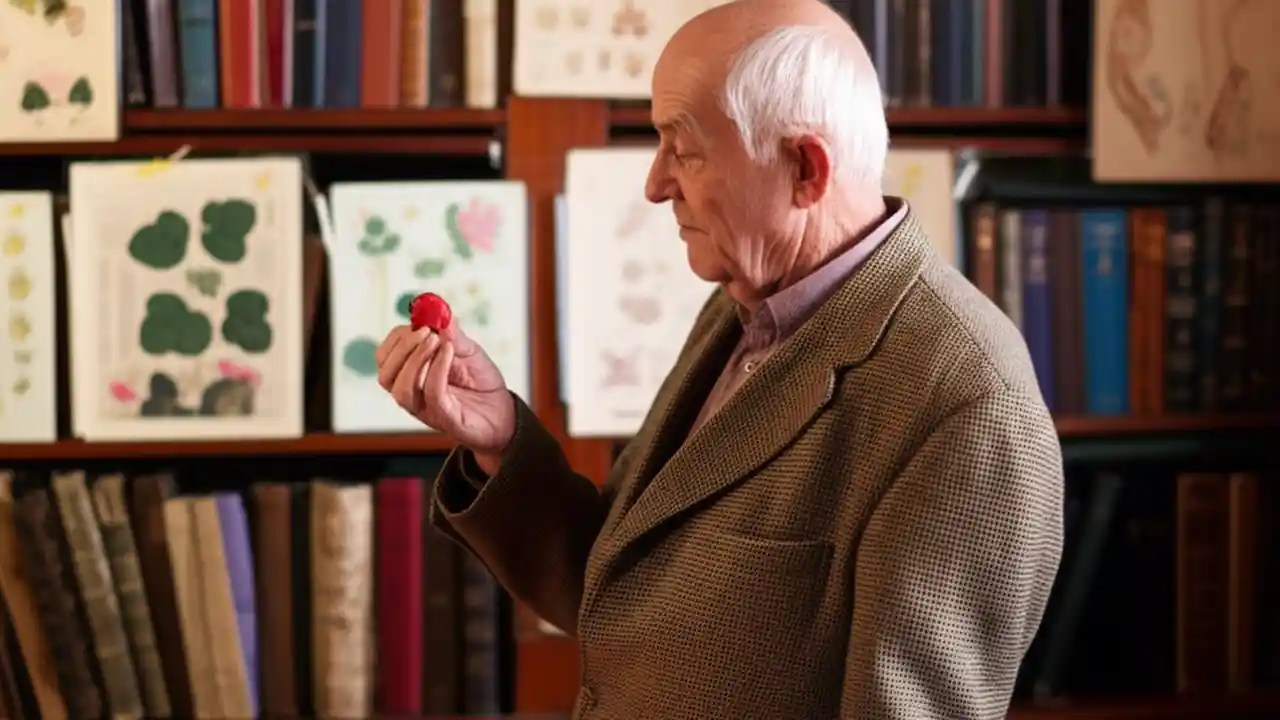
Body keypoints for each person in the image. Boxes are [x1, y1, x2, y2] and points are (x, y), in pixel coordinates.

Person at [375, 0, 1065, 717]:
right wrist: (500, 443)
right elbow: (623, 592)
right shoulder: (745, 303)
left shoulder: (969, 407)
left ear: (805, 168)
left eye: (684, 150)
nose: (654, 184)